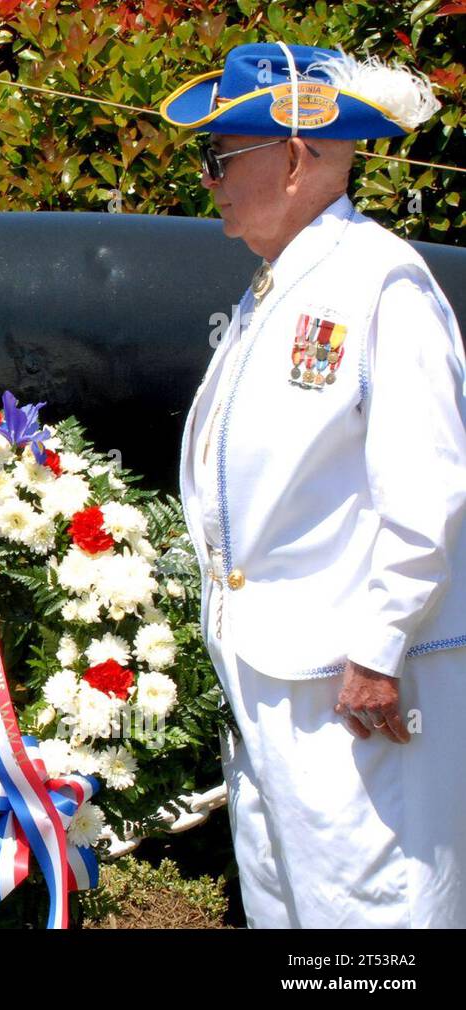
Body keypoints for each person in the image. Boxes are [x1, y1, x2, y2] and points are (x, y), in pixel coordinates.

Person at [162, 43, 466, 927]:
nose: (207, 178)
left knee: (374, 909)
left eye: (219, 157)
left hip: (355, 677)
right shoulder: (287, 282)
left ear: (293, 159)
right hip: (277, 668)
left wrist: (377, 650)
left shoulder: (382, 281)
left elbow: (427, 487)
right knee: (292, 902)